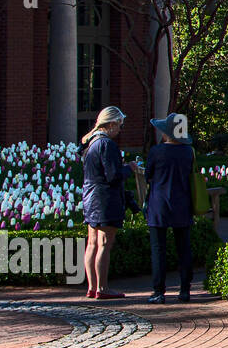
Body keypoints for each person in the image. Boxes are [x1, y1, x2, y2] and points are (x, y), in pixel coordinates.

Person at [81, 106, 134, 300]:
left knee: (92, 244)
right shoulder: (107, 145)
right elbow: (113, 176)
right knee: (104, 244)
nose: (120, 129)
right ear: (110, 124)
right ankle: (102, 288)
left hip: (90, 197)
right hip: (105, 199)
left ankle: (92, 287)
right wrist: (129, 168)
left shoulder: (91, 143)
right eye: (119, 125)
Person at [144, 113, 196, 304]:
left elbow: (147, 175)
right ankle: (185, 290)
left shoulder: (157, 151)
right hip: (182, 204)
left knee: (158, 249)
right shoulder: (188, 152)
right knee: (184, 248)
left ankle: (159, 291)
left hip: (159, 205)